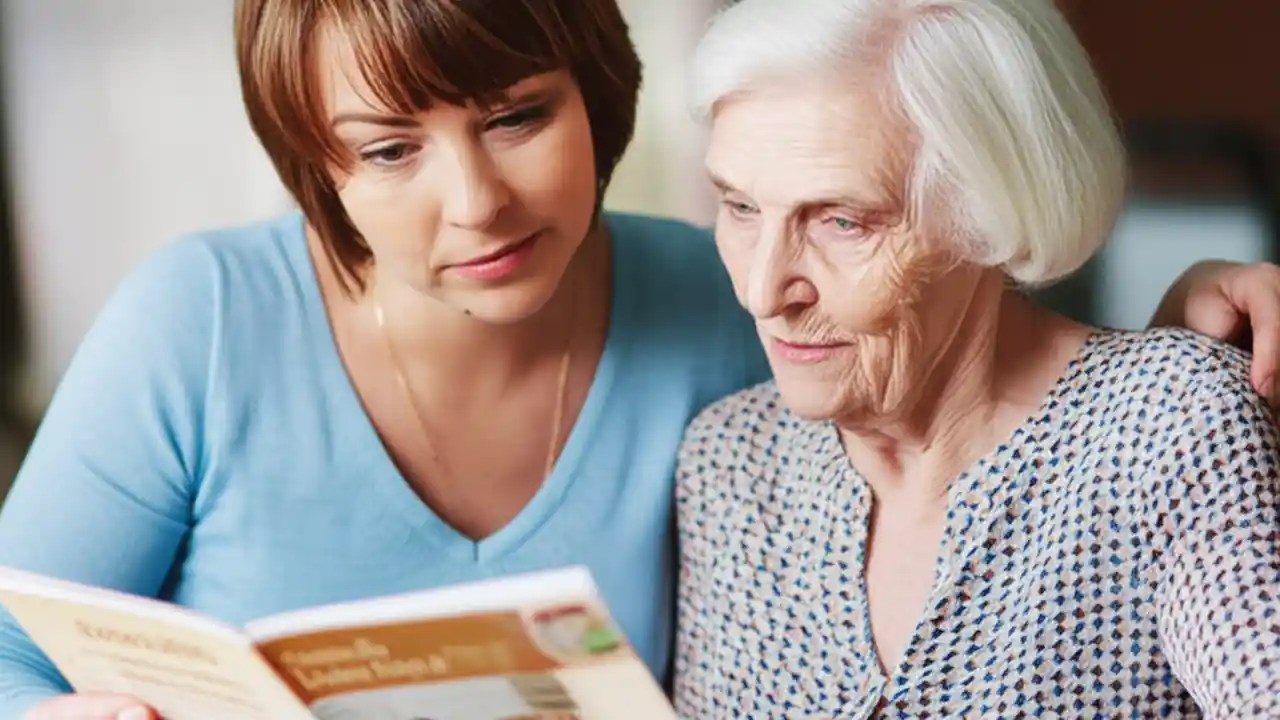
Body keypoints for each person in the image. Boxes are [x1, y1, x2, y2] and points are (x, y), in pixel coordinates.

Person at [0, 1, 1276, 718]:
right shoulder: (203, 319)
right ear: (318, 170)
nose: (475, 205)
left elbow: (960, 351)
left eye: (517, 118)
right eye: (388, 150)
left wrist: (1168, 353)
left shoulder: (718, 310)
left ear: (596, 98)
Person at [673, 0, 1280, 717]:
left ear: (988, 213)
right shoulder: (727, 463)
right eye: (741, 209)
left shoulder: (1170, 428)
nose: (762, 290)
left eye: (842, 221)